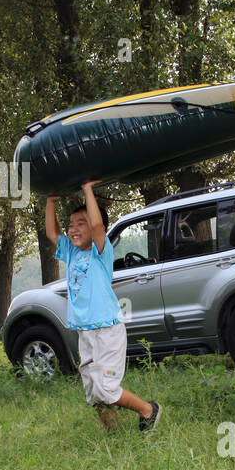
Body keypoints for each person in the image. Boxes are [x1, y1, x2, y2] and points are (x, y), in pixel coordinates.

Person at [45, 180, 162, 432]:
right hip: (84, 332)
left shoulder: (101, 251)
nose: (74, 229)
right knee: (92, 391)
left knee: (106, 388)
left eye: (81, 223)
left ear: (97, 228)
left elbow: (98, 225)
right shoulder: (72, 252)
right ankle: (113, 432)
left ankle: (148, 410)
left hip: (107, 331)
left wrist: (88, 190)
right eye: (71, 224)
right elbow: (52, 234)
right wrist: (51, 202)